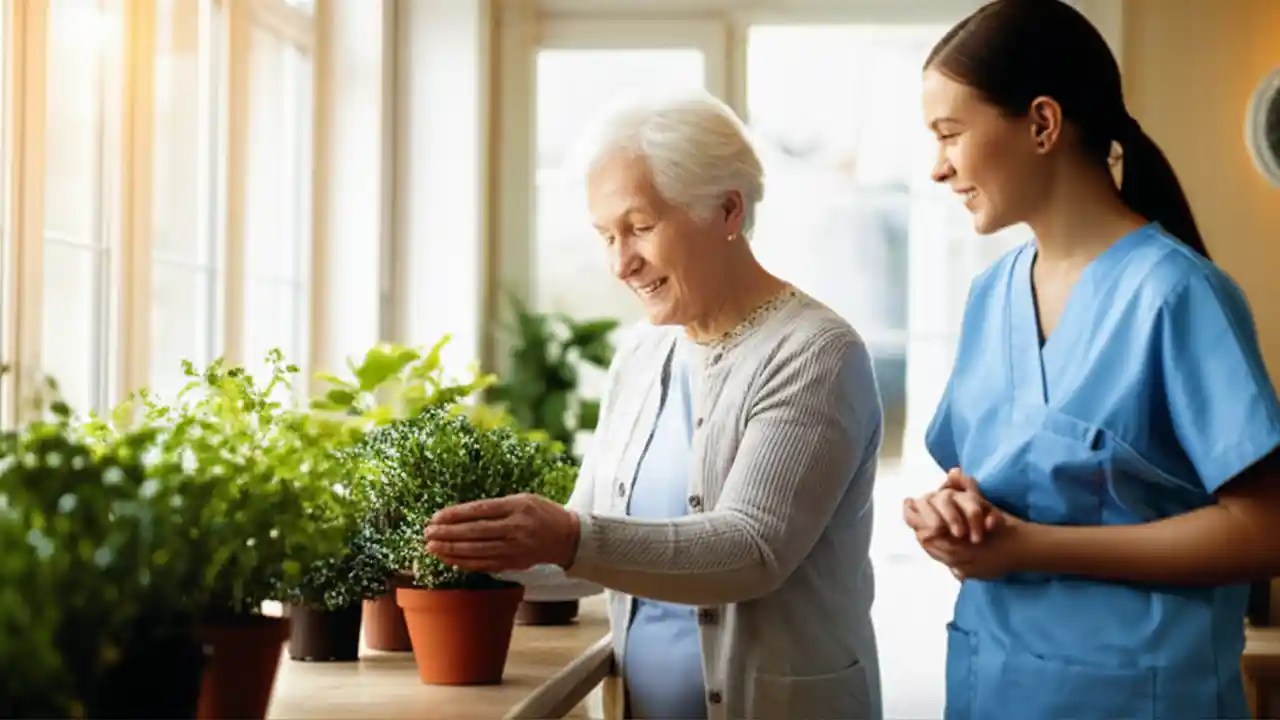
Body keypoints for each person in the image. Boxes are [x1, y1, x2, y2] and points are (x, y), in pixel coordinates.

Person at [423, 89, 885, 720]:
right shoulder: (643, 355)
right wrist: (469, 547)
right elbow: (588, 551)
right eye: (606, 235)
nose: (620, 263)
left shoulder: (815, 354)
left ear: (727, 210)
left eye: (640, 228)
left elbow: (750, 551)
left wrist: (565, 536)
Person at [903, 1, 1280, 718]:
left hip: (1140, 696)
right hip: (996, 680)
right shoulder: (993, 294)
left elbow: (1267, 529)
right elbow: (1011, 478)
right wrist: (961, 512)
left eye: (950, 135)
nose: (937, 168)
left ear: (1042, 124)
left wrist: (1031, 548)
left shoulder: (1176, 295)